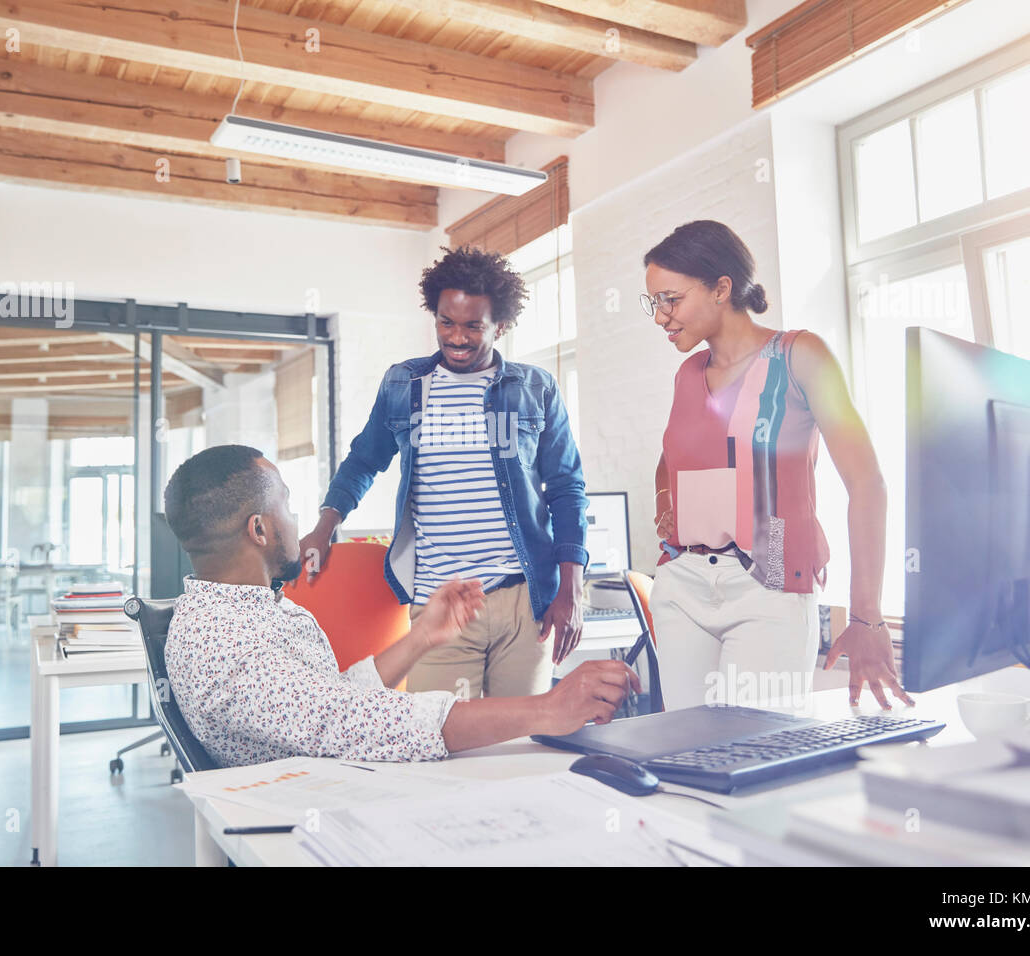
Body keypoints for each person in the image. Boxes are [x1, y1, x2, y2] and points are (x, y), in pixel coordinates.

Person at [162, 444, 637, 767]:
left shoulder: (245, 611)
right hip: (312, 814)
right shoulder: (221, 641)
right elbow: (351, 721)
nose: (296, 517)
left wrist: (421, 638)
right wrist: (548, 709)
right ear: (259, 530)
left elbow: (325, 701)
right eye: (286, 504)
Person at [641, 220, 912, 712]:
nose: (660, 316)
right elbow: (670, 461)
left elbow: (867, 483)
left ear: (722, 287)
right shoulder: (687, 374)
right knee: (685, 749)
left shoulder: (800, 355)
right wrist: (669, 520)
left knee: (756, 748)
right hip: (683, 587)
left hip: (770, 583)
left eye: (671, 299)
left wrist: (868, 616)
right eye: (654, 303)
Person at [298, 246, 589, 701]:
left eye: (473, 326)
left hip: (524, 599)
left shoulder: (536, 390)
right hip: (442, 603)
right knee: (441, 742)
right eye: (445, 323)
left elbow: (568, 489)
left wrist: (571, 587)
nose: (456, 337)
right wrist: (324, 524)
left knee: (518, 745)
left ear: (501, 325)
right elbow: (363, 461)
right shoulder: (404, 385)